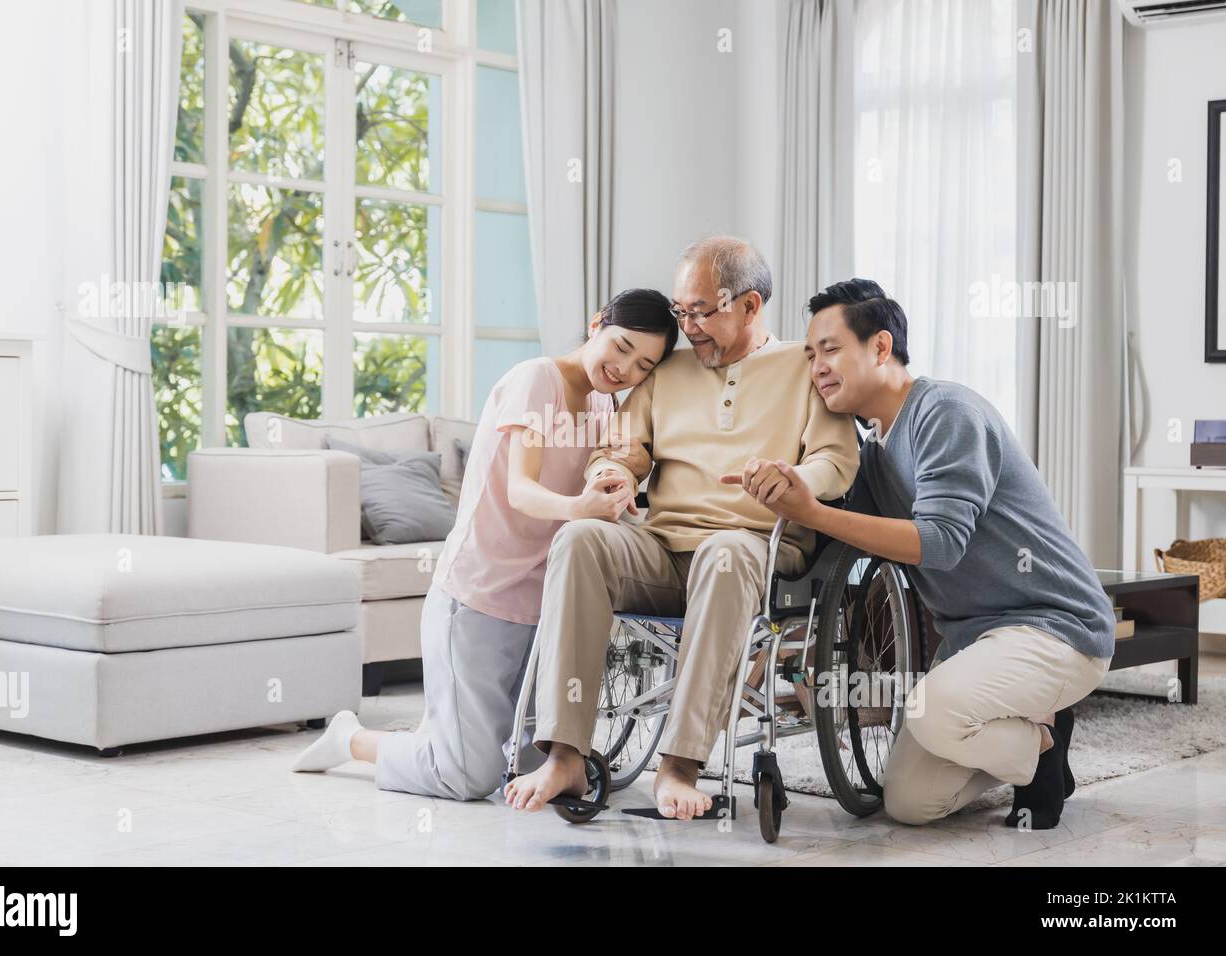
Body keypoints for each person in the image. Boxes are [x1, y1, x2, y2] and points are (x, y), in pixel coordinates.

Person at [725, 278, 1114, 830]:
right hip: (967, 640)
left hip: (1053, 626)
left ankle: (1043, 742)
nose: (816, 368)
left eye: (830, 349)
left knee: (933, 713)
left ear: (880, 347)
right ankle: (1032, 742)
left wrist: (813, 511)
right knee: (909, 802)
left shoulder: (945, 413)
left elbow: (940, 543)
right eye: (810, 355)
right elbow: (843, 536)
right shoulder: (872, 451)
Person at [503, 236, 859, 820]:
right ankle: (566, 753)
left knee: (724, 552)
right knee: (580, 537)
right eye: (680, 311)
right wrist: (613, 472)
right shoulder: (665, 371)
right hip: (662, 549)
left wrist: (793, 477)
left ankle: (681, 763)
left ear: (749, 306)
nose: (688, 327)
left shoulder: (803, 368)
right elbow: (622, 446)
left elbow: (836, 461)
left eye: (702, 312)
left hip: (752, 553)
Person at [290, 288, 679, 801]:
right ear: (596, 324)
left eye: (644, 365)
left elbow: (603, 478)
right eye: (622, 346)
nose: (625, 367)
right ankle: (352, 740)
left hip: (545, 609)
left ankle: (441, 738)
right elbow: (521, 490)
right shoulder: (537, 380)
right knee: (466, 776)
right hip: (479, 598)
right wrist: (578, 508)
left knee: (531, 762)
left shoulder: (608, 406)